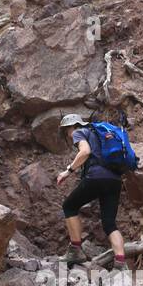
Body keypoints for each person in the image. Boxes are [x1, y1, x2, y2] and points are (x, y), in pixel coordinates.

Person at [55, 113, 128, 268]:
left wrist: (68, 171)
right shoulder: (98, 133)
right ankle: (121, 263)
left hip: (96, 177)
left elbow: (85, 152)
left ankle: (75, 251)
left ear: (71, 127)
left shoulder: (78, 132)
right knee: (109, 224)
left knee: (69, 206)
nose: (68, 135)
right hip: (114, 180)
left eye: (66, 131)